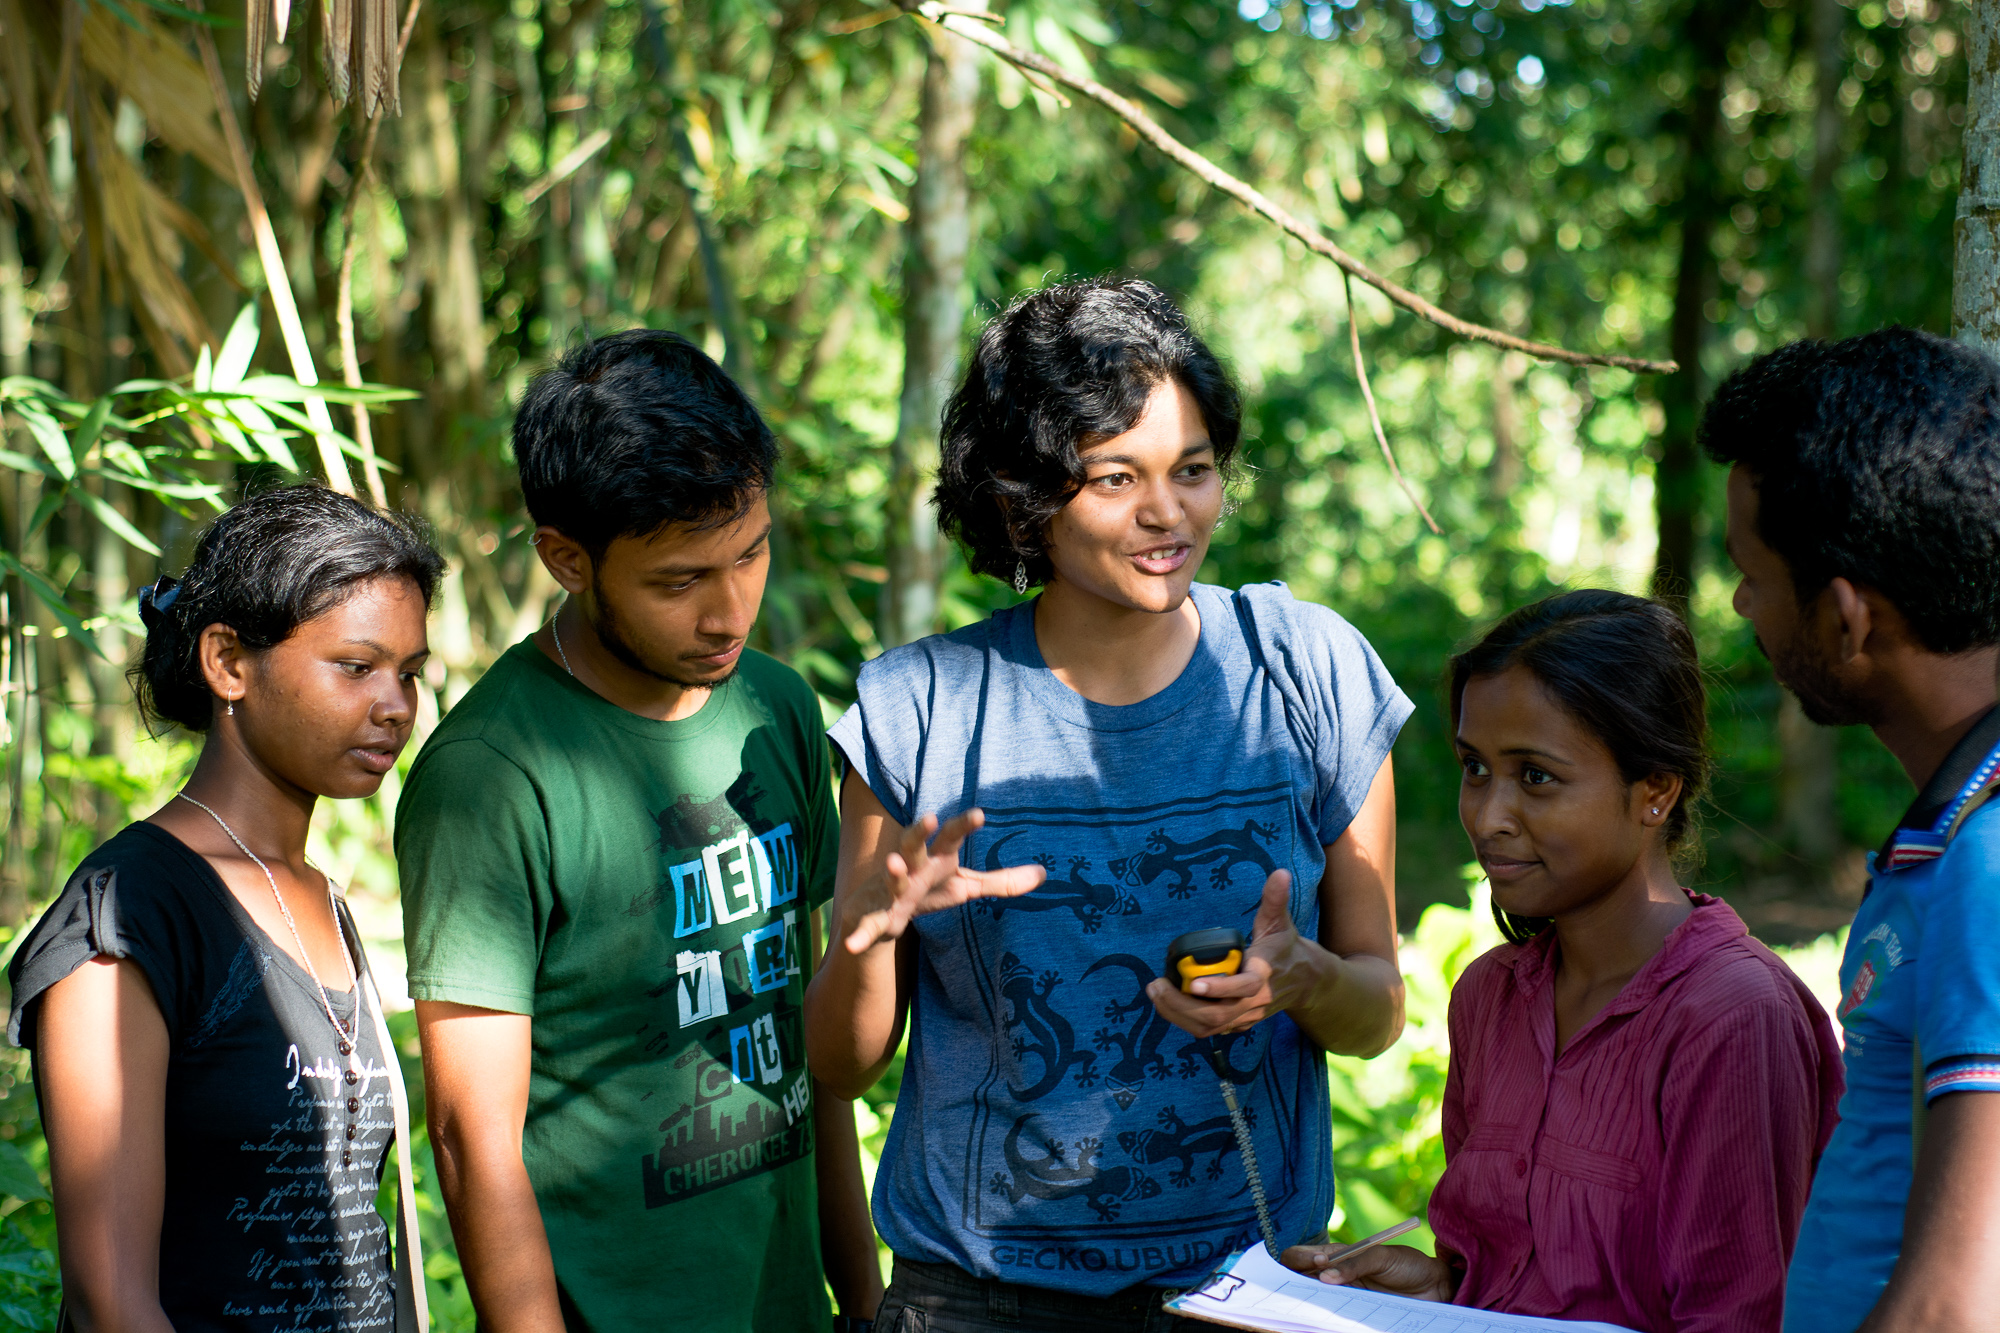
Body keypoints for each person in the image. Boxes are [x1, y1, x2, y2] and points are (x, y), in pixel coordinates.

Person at [805, 276, 1412, 1332]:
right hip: (978, 1305)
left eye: (1193, 470)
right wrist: (867, 932)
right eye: (1115, 478)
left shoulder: (1308, 671)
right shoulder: (919, 711)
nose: (1166, 512)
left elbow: (1375, 1014)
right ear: (1022, 501)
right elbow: (837, 1065)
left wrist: (1302, 977)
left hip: (1254, 1293)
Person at [394, 330, 882, 1333]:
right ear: (567, 559)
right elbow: (470, 1138)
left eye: (751, 553)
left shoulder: (778, 711)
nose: (729, 611)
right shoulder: (491, 775)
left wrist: (864, 1299)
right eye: (679, 580)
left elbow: (808, 1056)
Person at [1282, 590, 1844, 1333]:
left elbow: (1740, 1316)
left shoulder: (1733, 1016)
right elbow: (1520, 1283)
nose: (1487, 816)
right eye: (1474, 768)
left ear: (1654, 791)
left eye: (1536, 776)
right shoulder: (1490, 997)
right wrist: (1443, 1291)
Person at [7, 485, 443, 1332]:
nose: (395, 705)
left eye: (410, 672)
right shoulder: (129, 914)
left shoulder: (321, 897)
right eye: (356, 667)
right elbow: (111, 1301)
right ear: (228, 663)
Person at [1702, 329, 2000, 1333]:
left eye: (1751, 573)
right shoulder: (1953, 838)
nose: (1741, 603)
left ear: (1845, 617)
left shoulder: (1989, 862)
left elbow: (1952, 1309)